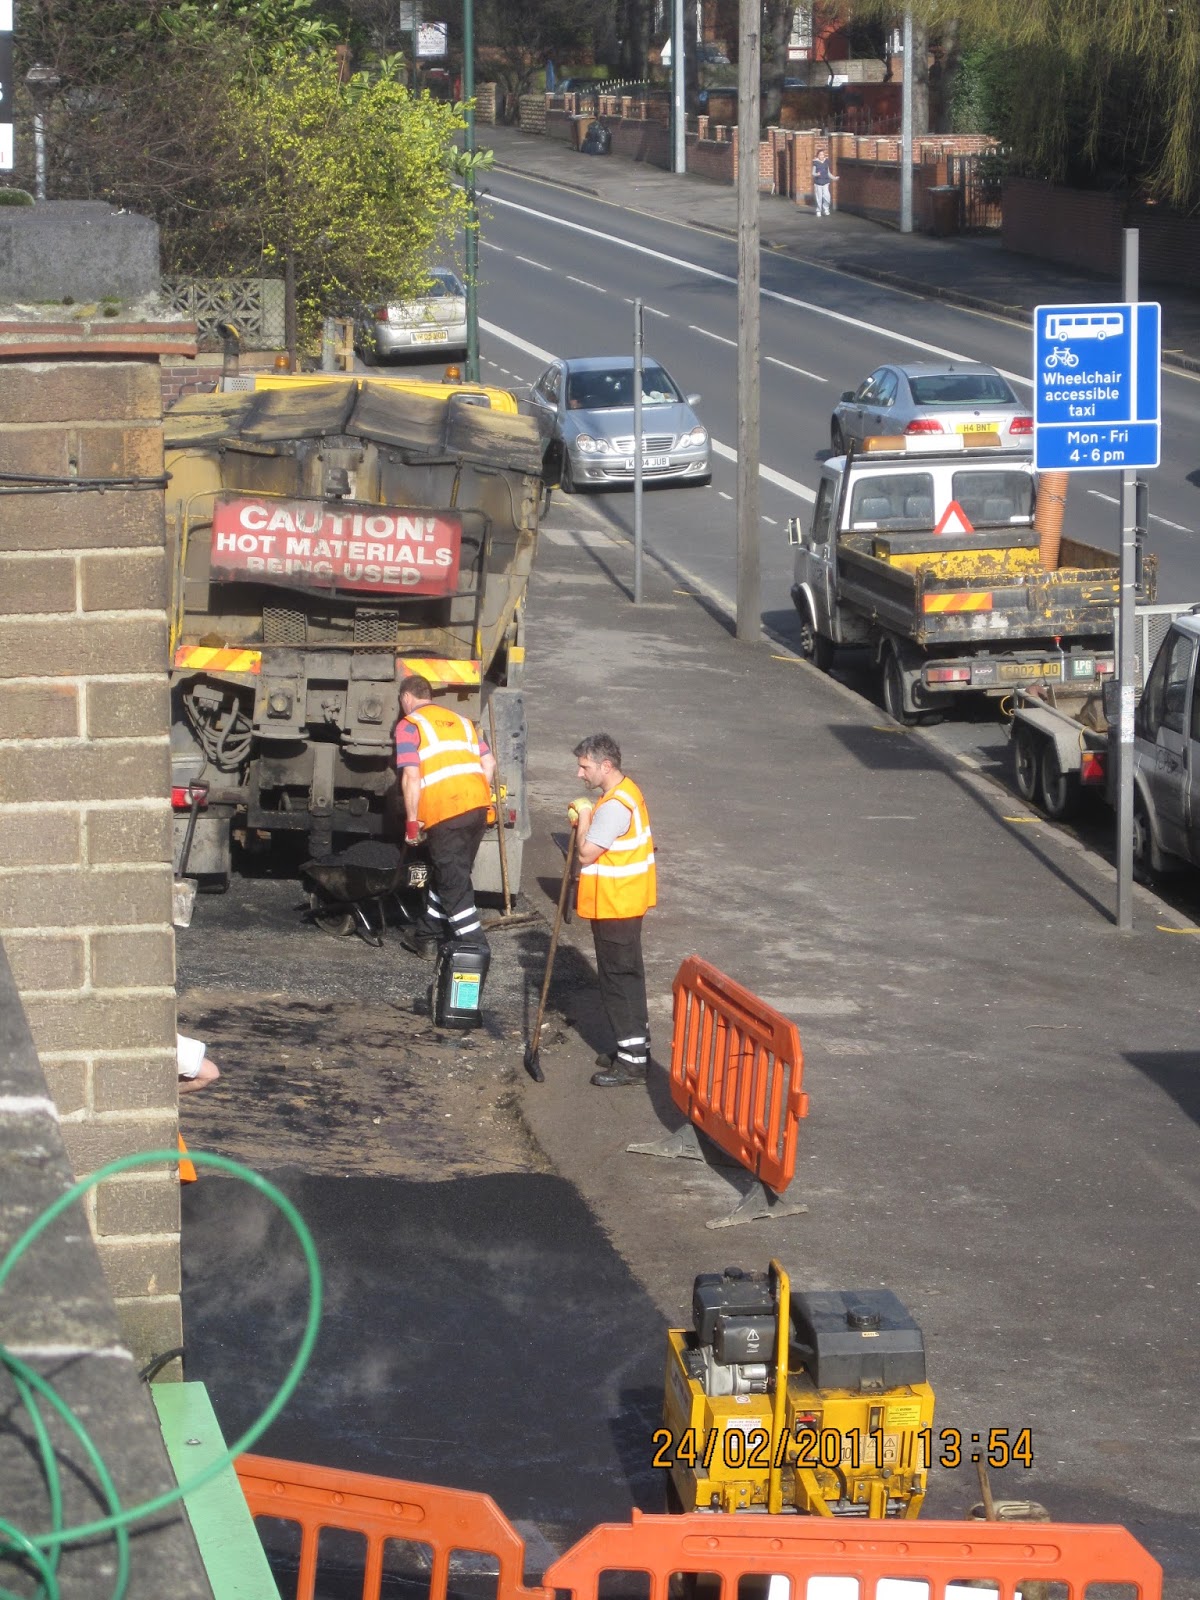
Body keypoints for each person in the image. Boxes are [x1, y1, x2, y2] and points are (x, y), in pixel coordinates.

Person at [569, 733, 656, 1088]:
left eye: (584, 766)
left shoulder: (612, 807)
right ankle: (633, 1049)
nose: (579, 773)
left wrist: (583, 815)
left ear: (606, 766)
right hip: (625, 901)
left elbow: (586, 853)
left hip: (615, 904)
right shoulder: (627, 793)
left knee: (618, 982)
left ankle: (632, 1064)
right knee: (628, 978)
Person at [395, 674, 495, 957]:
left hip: (445, 813)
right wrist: (473, 793)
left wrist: (412, 823)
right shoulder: (464, 723)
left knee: (454, 885)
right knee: (450, 874)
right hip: (477, 810)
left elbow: (411, 777)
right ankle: (426, 935)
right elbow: (489, 763)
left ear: (406, 698)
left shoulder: (410, 725)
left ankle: (476, 950)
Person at [812, 146, 838, 217]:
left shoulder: (826, 162)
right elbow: (813, 173)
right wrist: (817, 174)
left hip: (826, 182)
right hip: (818, 183)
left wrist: (834, 178)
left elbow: (828, 173)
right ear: (818, 156)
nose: (822, 156)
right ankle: (818, 210)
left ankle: (826, 209)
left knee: (827, 197)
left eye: (823, 155)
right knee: (819, 197)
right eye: (820, 155)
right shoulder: (815, 163)